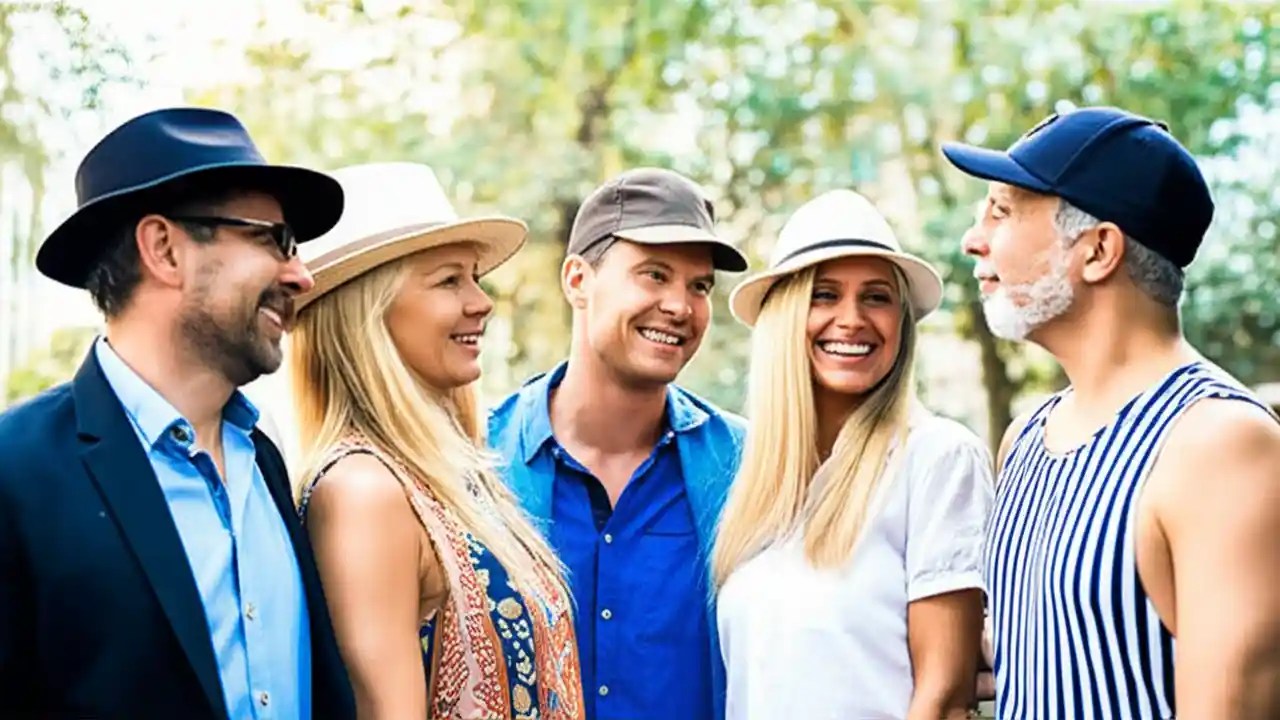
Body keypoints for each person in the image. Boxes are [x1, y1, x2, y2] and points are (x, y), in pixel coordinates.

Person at [0, 107, 355, 718]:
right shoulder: (16, 472)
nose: (301, 274)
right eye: (276, 239)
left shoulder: (264, 461)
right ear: (164, 249)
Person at [943, 105, 1280, 718]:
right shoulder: (1026, 440)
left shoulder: (1224, 446)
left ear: (1098, 250)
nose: (974, 239)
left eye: (1002, 211)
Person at [288, 161, 584, 720]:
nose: (482, 301)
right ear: (368, 315)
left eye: (474, 276)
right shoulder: (362, 490)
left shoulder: (457, 479)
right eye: (449, 280)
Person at [712, 189, 993, 720]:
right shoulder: (756, 482)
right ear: (785, 316)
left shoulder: (937, 458)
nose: (852, 319)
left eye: (876, 297)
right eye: (824, 295)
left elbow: (945, 699)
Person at [487, 167, 749, 720]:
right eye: (654, 275)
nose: (681, 306)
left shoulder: (746, 465)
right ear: (578, 280)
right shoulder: (477, 460)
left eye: (699, 286)